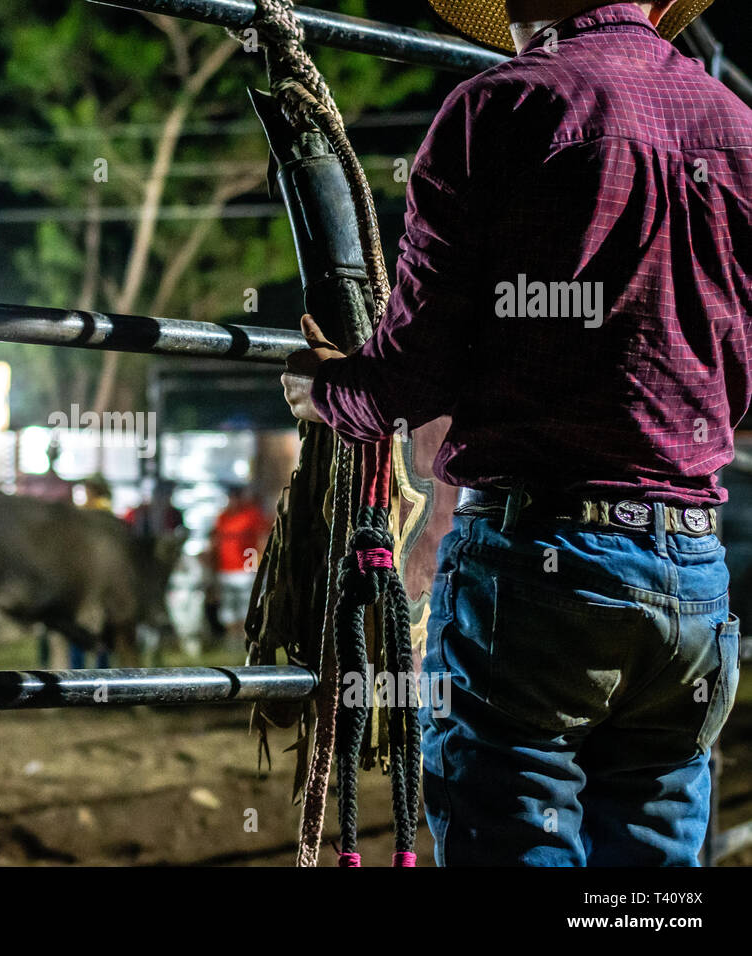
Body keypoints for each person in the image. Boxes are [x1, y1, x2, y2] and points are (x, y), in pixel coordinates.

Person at [282, 0, 748, 866]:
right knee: (654, 864)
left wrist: (324, 394)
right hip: (694, 570)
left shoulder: (500, 109)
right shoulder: (738, 127)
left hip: (540, 562)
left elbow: (407, 376)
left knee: (514, 828)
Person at [205, 485, 272, 642]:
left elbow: (263, 536)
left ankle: (245, 641)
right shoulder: (223, 518)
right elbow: (215, 541)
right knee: (228, 609)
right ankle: (231, 642)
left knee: (245, 608)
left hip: (246, 568)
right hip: (226, 570)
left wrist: (261, 562)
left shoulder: (252, 515)